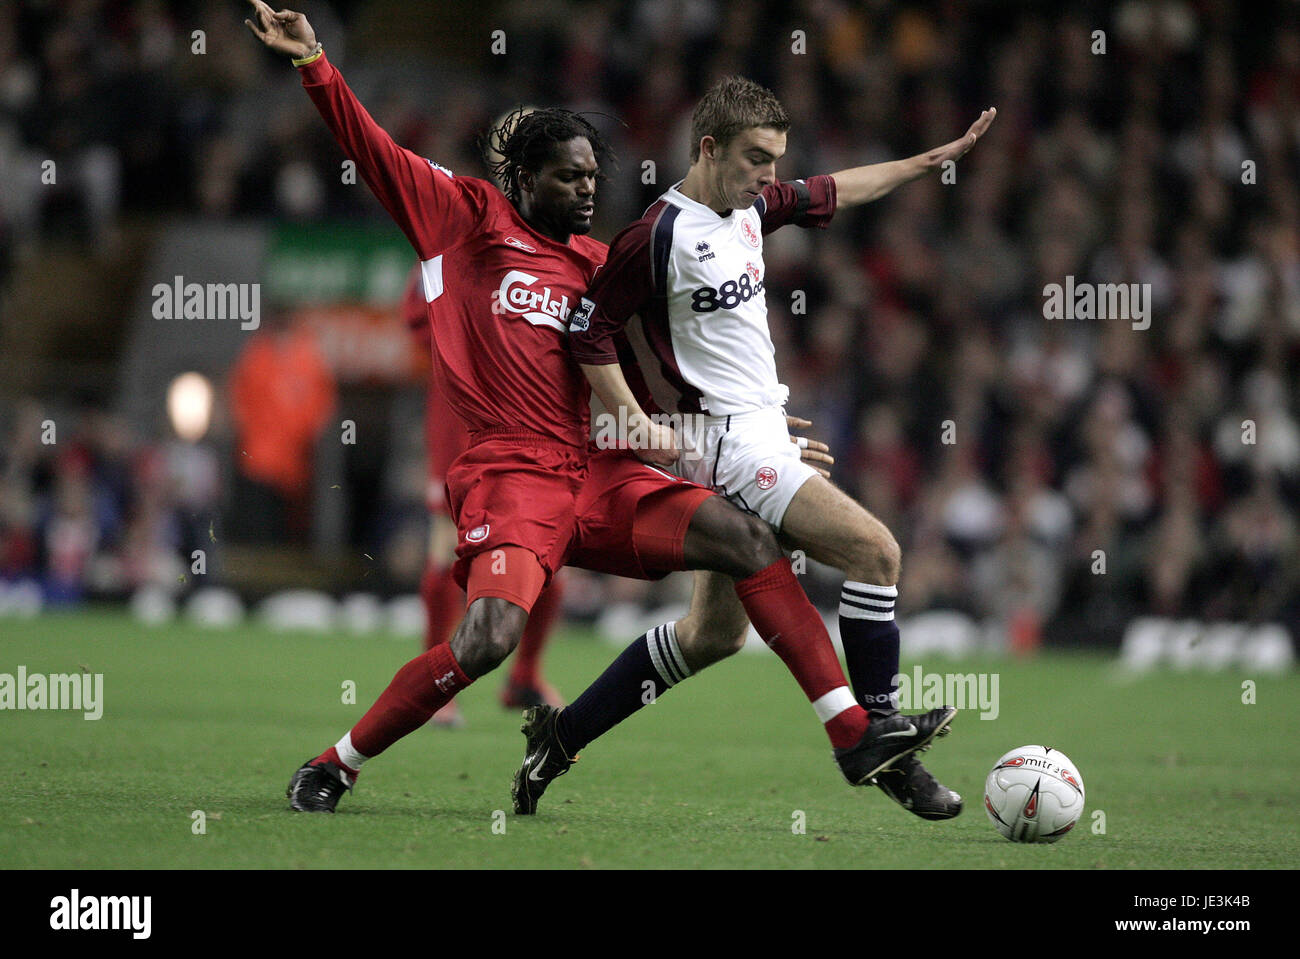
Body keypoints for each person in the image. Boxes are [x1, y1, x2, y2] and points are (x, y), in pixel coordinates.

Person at [242, 2, 954, 814]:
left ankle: (852, 731)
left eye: (591, 177)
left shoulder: (596, 261)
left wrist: (735, 426)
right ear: (523, 179)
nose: (587, 191)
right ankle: (338, 760)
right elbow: (374, 151)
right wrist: (314, 64)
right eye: (567, 177)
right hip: (513, 474)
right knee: (486, 640)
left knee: (747, 538)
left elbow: (653, 376)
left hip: (604, 468)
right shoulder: (464, 220)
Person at [518, 76, 995, 820]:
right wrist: (639, 424)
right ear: (708, 149)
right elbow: (587, 329)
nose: (769, 174)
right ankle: (878, 730)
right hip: (723, 444)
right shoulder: (656, 237)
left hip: (762, 430)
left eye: (775, 158)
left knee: (712, 636)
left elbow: (832, 188)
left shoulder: (749, 210)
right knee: (876, 553)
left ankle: (560, 734)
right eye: (756, 158)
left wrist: (925, 161)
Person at [401, 266, 564, 724]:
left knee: (549, 553)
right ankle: (438, 689)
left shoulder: (552, 251)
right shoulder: (448, 253)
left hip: (537, 429)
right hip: (463, 427)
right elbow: (418, 327)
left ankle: (525, 676)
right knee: (446, 550)